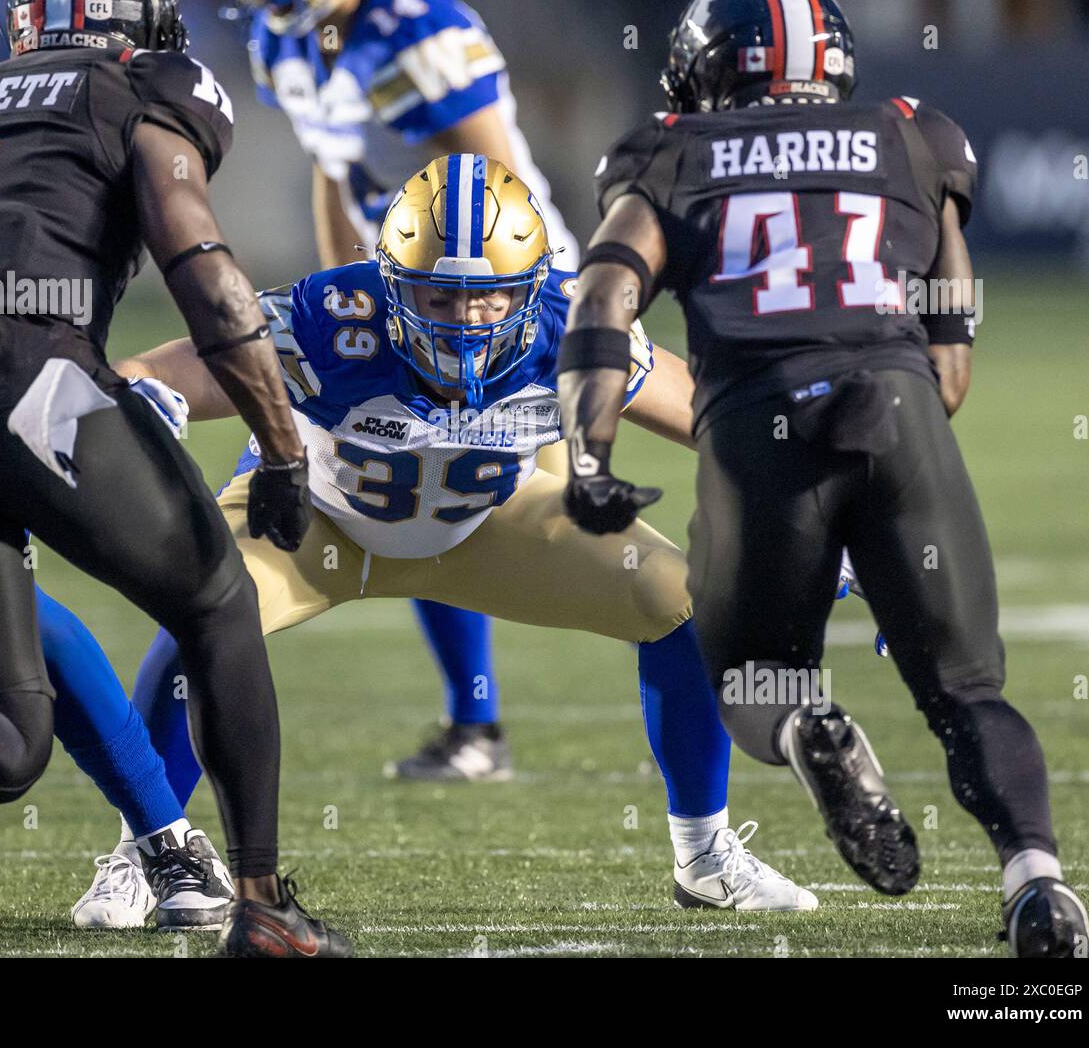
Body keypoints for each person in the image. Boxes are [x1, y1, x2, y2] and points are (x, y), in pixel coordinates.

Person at [71, 154, 817, 925]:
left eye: (490, 297)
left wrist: (821, 511)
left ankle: (705, 854)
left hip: (486, 524)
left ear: (530, 289)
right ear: (390, 285)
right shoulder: (335, 320)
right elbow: (153, 372)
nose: (464, 321)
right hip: (318, 523)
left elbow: (716, 419)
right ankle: (147, 851)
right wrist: (144, 403)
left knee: (680, 600)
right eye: (439, 295)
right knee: (203, 610)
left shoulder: (570, 323)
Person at [0, 0, 347, 957]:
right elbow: (201, 263)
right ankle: (262, 907)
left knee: (3, 740)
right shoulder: (147, 84)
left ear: (26, 18)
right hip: (32, 377)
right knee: (215, 598)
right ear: (145, 15)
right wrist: (282, 446)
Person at [558, 0, 1089, 958]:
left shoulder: (669, 152)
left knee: (753, 680)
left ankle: (807, 727)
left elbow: (601, 302)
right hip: (896, 408)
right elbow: (949, 350)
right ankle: (1037, 882)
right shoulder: (908, 134)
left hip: (755, 423)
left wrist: (588, 454)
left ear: (703, 71)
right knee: (969, 689)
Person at [207, 0, 582, 781]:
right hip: (406, 293)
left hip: (499, 298)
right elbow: (332, 167)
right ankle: (477, 728)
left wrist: (495, 313)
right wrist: (347, 299)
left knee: (495, 505)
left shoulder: (418, 35)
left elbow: (503, 189)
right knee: (408, 489)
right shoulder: (289, 42)